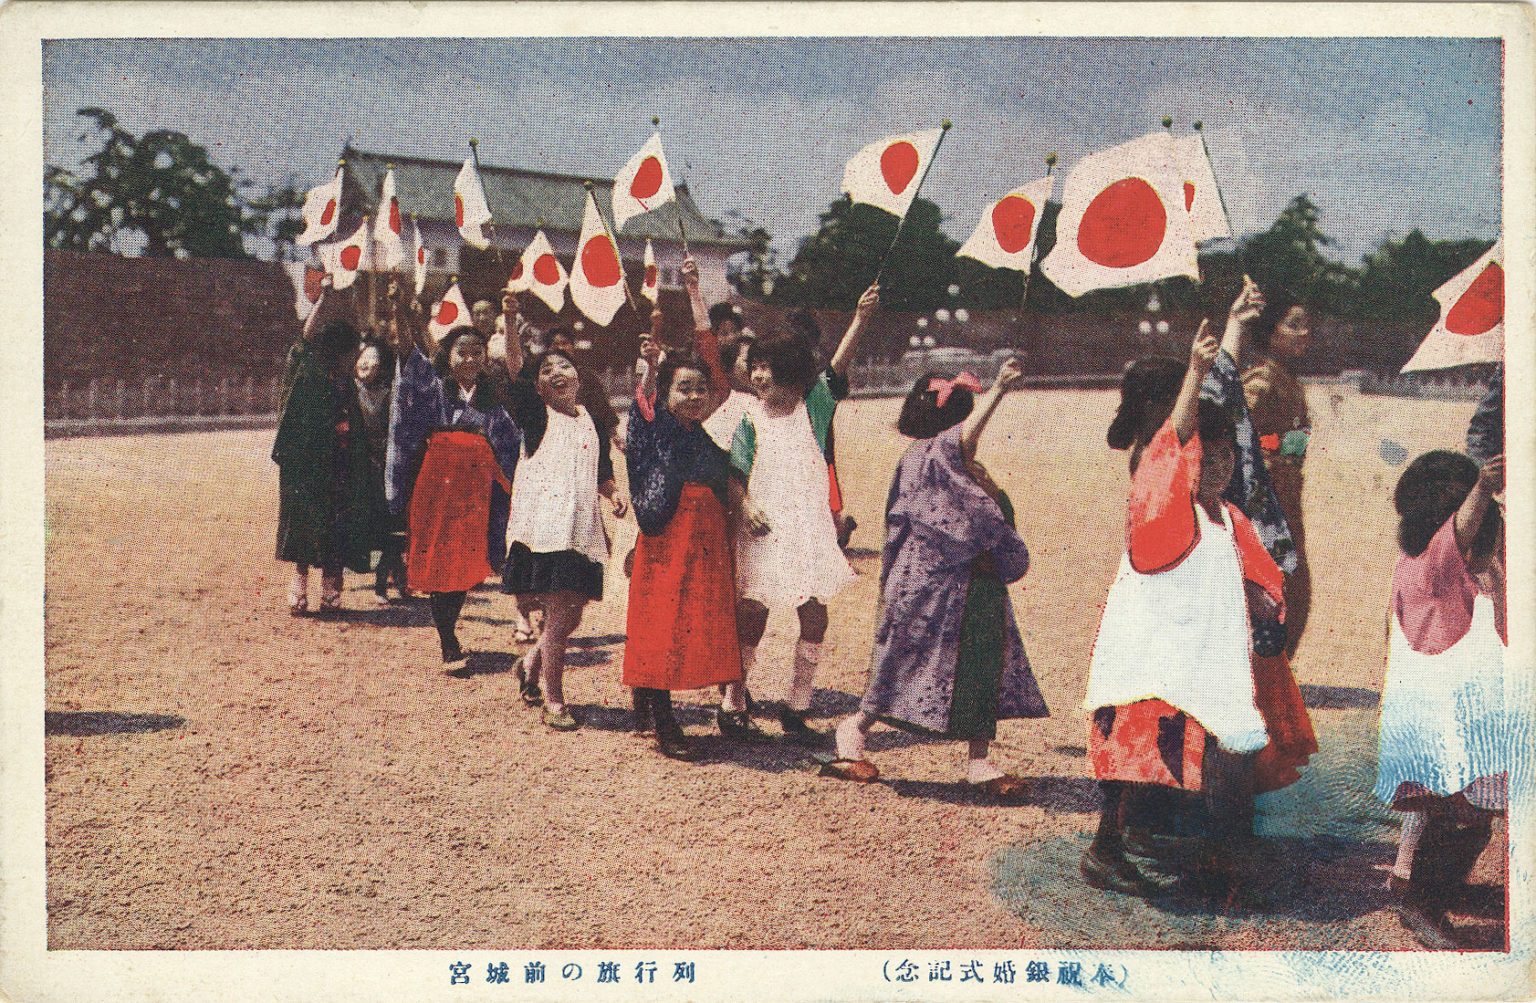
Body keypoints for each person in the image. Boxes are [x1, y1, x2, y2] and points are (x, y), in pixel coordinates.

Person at [1080, 329, 1288, 901]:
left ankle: (1211, 856)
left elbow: (1260, 574)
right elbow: (1176, 443)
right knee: (1131, 751)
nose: (1219, 464)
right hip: (1151, 649)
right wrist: (1200, 367)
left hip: (1203, 655)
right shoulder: (1166, 500)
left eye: (1226, 455)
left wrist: (1264, 601)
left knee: (1211, 751)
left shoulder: (1221, 516)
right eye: (1208, 454)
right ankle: (1107, 846)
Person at [824, 358, 1047, 797]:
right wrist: (999, 388)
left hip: (975, 576)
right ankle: (855, 728)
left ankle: (979, 758)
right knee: (907, 656)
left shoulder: (961, 465)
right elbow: (962, 439)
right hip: (930, 581)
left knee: (983, 658)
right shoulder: (928, 456)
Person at [1375, 450, 1508, 948]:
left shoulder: (1463, 571)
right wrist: (1482, 489)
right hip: (1441, 720)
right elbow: (1464, 528)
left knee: (1464, 817)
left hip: (1462, 715)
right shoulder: (1431, 565)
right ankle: (1423, 905)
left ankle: (1428, 891)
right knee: (1457, 817)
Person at [727, 289, 872, 740]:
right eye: (756, 366)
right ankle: (733, 700)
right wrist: (746, 505)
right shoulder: (748, 417)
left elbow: (837, 368)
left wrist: (860, 319)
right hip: (765, 528)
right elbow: (734, 472)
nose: (760, 374)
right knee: (754, 611)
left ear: (791, 370)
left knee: (814, 615)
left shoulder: (814, 409)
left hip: (807, 529)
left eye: (769, 366)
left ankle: (797, 706)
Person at [624, 346, 768, 760]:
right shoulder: (655, 427)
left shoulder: (704, 434)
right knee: (664, 622)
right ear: (666, 392)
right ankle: (665, 717)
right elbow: (642, 407)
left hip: (705, 539)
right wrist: (648, 370)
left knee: (691, 620)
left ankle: (651, 695)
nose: (693, 397)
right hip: (669, 534)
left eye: (700, 389)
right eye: (683, 388)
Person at [384, 284, 521, 669]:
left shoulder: (491, 398)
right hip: (436, 484)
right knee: (438, 561)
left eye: (478, 352)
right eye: (463, 351)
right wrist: (401, 311)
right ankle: (447, 638)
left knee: (463, 566)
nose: (471, 358)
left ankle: (449, 630)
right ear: (449, 355)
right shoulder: (434, 388)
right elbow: (407, 355)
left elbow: (508, 444)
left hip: (474, 491)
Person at [501, 335, 629, 731]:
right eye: (546, 370)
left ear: (579, 377)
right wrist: (508, 321)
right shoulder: (536, 415)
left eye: (564, 366)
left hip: (581, 530)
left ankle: (529, 665)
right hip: (545, 534)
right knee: (558, 618)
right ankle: (554, 700)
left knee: (570, 615)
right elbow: (514, 368)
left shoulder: (589, 418)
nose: (557, 373)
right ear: (538, 386)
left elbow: (601, 471)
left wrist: (613, 494)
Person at [273, 280, 374, 615]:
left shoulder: (348, 384)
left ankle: (331, 589)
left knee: (338, 528)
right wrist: (324, 299)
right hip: (307, 467)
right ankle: (299, 587)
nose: (355, 358)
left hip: (341, 465)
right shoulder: (306, 372)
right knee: (303, 528)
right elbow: (304, 339)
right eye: (351, 352)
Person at [1228, 276, 1314, 659]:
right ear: (1270, 329)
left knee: (1294, 589)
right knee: (1279, 588)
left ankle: (1272, 671)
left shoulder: (1288, 380)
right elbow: (1235, 434)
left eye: (1305, 325)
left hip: (1287, 496)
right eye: (1293, 324)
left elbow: (1294, 442)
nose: (1303, 333)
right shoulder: (1261, 381)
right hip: (1263, 500)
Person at [352, 336, 408, 604]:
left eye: (372, 359)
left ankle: (384, 583)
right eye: (362, 357)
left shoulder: (390, 394)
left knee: (392, 525)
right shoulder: (349, 391)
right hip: (359, 464)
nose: (365, 363)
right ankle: (396, 577)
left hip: (385, 463)